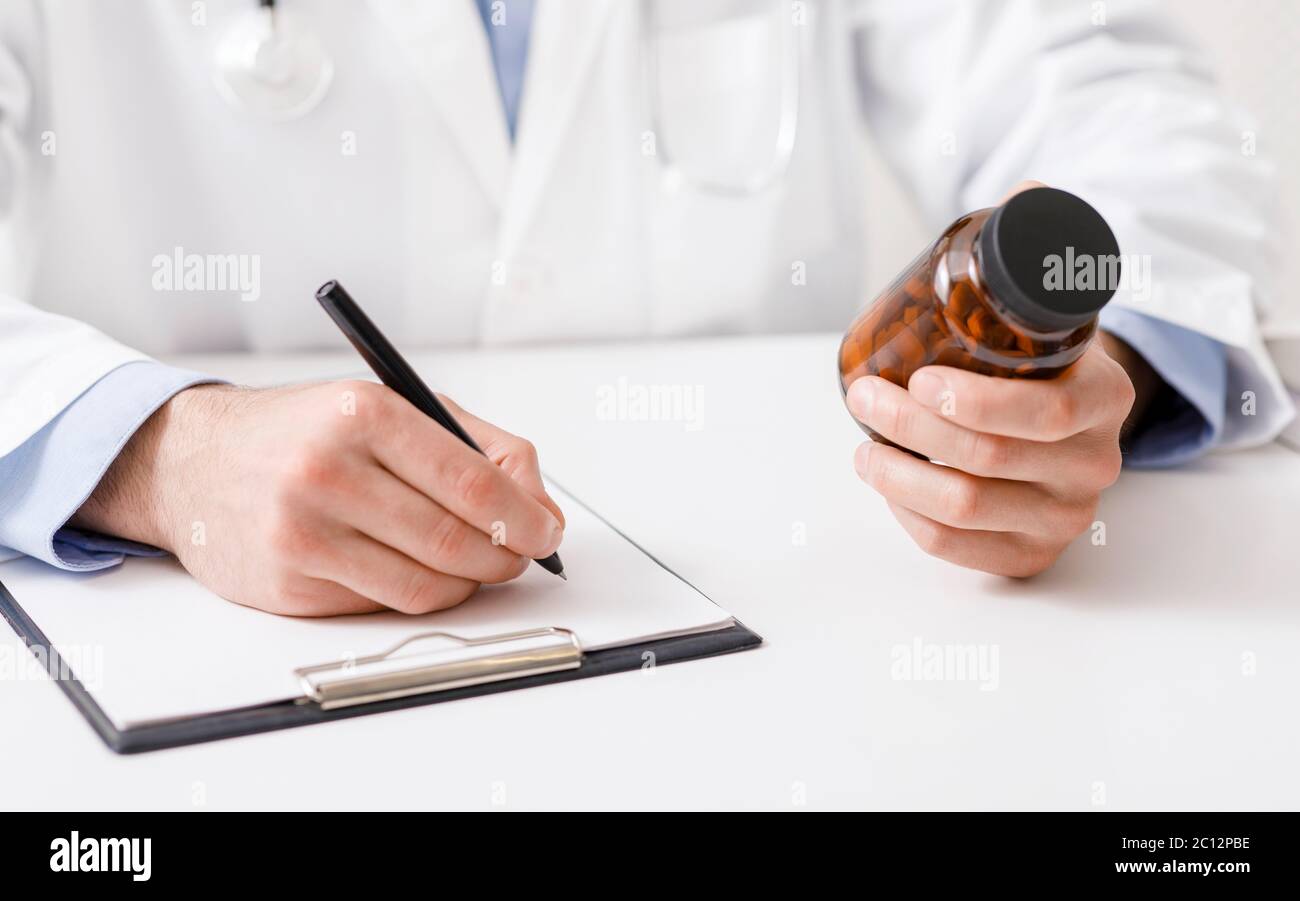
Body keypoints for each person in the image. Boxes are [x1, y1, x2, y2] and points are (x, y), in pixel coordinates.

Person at [0, 0, 1292, 613]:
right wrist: (156, 452)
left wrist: (1103, 367)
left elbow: (1112, 92)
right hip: (198, 643)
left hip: (790, 617)